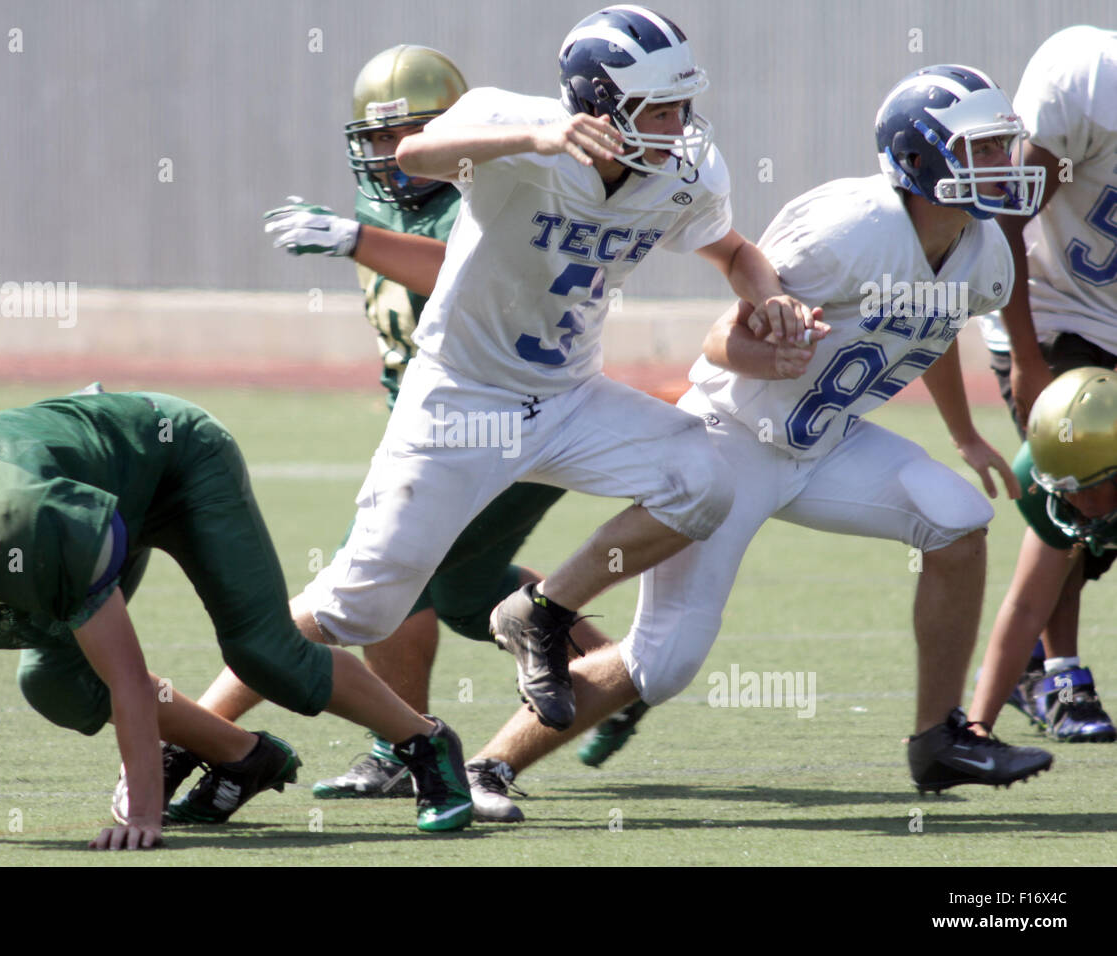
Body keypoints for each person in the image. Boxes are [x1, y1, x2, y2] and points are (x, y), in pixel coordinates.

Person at [207, 4, 816, 824]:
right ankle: (201, 728)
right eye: (660, 111)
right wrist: (535, 139)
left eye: (683, 108)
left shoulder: (685, 171)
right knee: (358, 607)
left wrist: (769, 296)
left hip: (568, 395)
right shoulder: (521, 121)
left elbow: (733, 249)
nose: (681, 128)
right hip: (461, 396)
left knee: (705, 479)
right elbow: (415, 151)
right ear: (596, 104)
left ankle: (542, 612)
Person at [464, 64, 1058, 820]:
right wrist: (768, 354)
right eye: (983, 150)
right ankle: (486, 766)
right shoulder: (851, 231)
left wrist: (964, 435)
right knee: (665, 662)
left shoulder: (984, 251)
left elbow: (932, 325)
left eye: (1004, 148)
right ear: (919, 160)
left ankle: (938, 740)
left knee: (957, 520)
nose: (1005, 167)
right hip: (733, 442)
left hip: (824, 442)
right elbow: (719, 339)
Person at [229, 43, 643, 815]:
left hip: (518, 417)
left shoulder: (498, 189)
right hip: (443, 418)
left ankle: (392, 743)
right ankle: (612, 671)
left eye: (409, 134)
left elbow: (455, 263)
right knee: (466, 593)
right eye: (377, 138)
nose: (392, 154)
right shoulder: (385, 202)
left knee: (400, 572)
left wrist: (354, 239)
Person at [0, 390, 474, 847]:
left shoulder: (29, 524)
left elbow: (128, 677)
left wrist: (141, 810)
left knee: (264, 653)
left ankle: (422, 741)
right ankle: (242, 758)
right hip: (89, 492)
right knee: (52, 682)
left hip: (177, 462)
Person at [974, 26, 1117, 738]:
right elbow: (1005, 221)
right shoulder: (1092, 77)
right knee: (1084, 489)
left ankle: (1028, 656)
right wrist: (1028, 360)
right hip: (1053, 311)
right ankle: (1060, 674)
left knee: (1105, 516)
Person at [969, 367, 1117, 741]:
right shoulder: (1041, 482)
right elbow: (1026, 607)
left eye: (1088, 487)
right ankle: (1054, 678)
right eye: (1064, 489)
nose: (1074, 503)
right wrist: (977, 726)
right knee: (1059, 566)